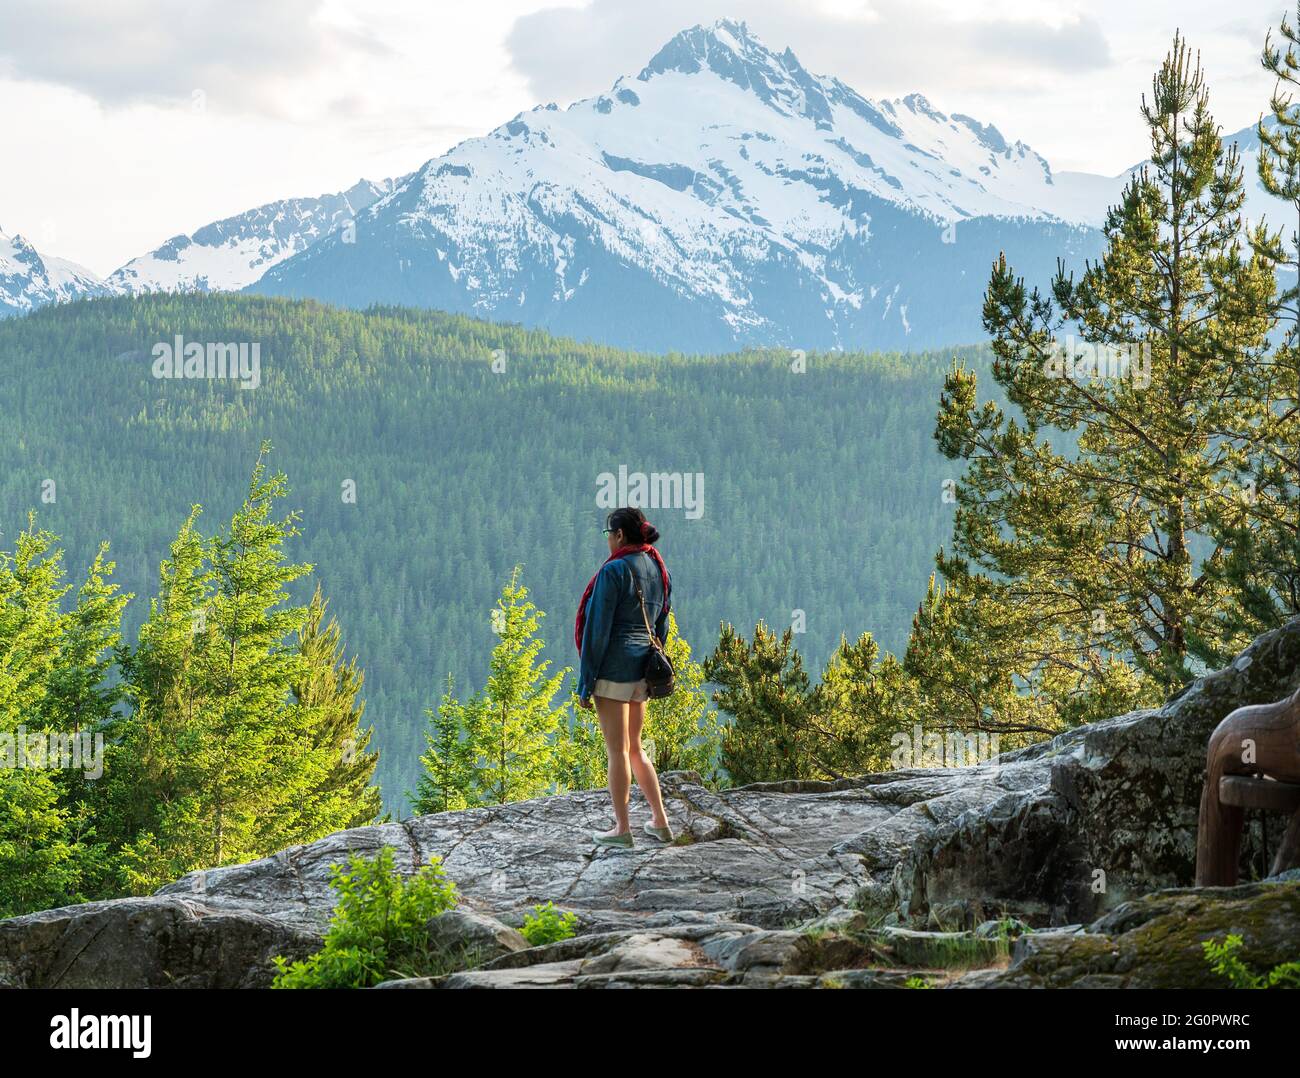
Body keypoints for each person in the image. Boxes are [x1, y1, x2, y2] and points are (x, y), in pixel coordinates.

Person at [574, 507, 674, 849]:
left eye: (608, 535)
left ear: (618, 535)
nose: (608, 542)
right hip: (640, 671)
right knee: (636, 749)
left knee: (616, 752)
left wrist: (586, 682)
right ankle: (660, 822)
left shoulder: (614, 570)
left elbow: (597, 631)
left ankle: (622, 829)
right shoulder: (658, 567)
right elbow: (661, 624)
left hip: (613, 672)